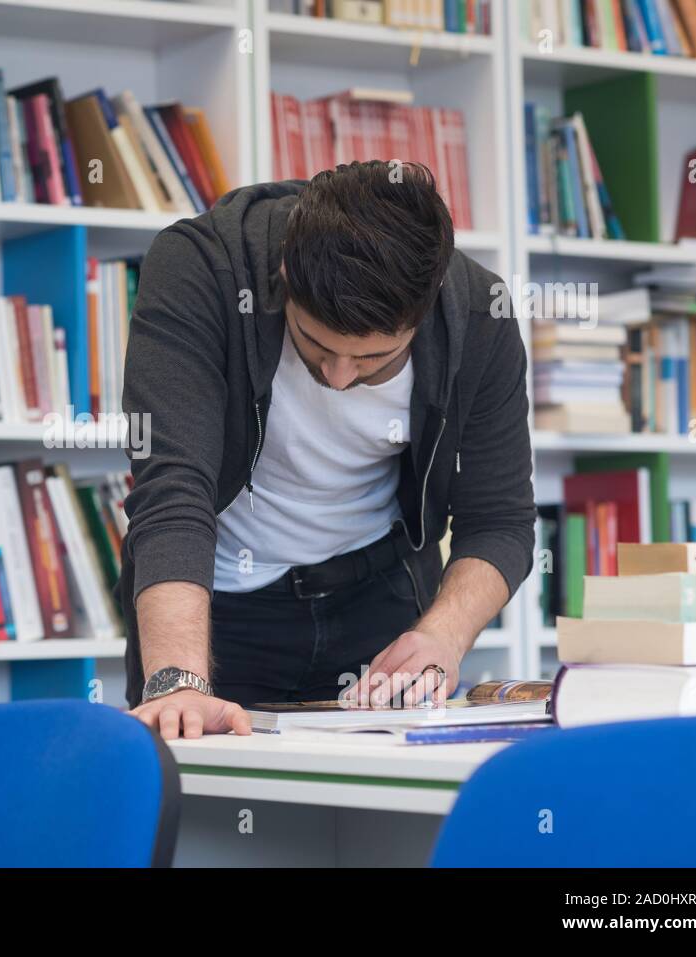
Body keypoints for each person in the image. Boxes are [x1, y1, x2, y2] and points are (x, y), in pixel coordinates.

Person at [118, 162, 535, 739]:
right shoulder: (201, 268)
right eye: (315, 344)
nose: (339, 378)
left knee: (382, 817)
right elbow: (171, 488)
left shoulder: (479, 313)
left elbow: (500, 521)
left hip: (381, 607)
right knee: (206, 807)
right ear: (286, 270)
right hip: (213, 610)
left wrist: (442, 635)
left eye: (371, 360)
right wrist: (176, 681)